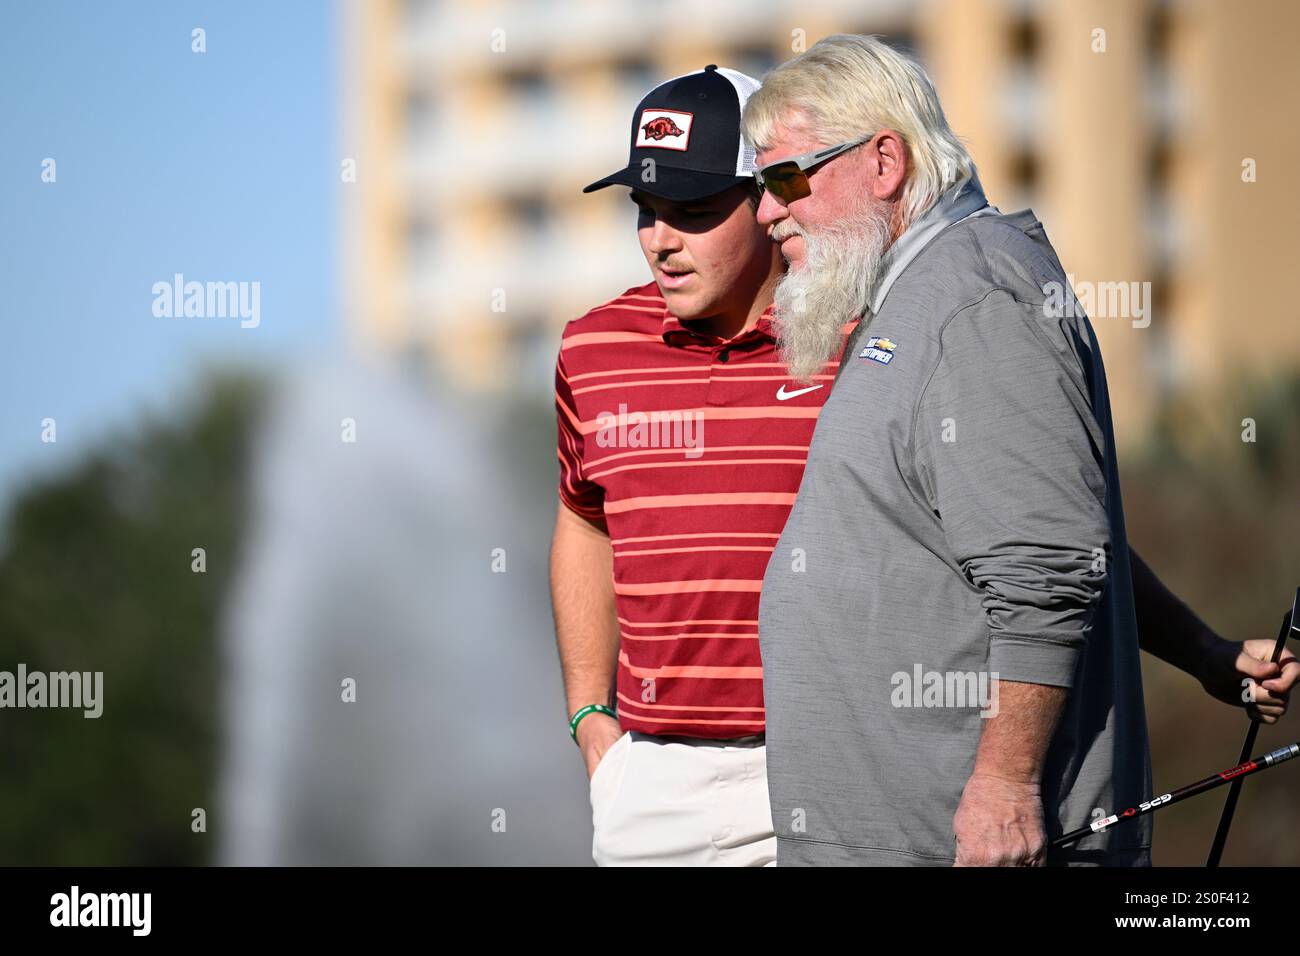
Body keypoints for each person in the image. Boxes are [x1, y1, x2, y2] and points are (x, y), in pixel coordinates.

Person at [743, 34, 1298, 866]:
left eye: (785, 178)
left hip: (963, 844)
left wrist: (1004, 785)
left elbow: (1046, 565)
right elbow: (1052, 533)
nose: (765, 211)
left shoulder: (976, 302)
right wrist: (1205, 653)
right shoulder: (920, 295)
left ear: (884, 162)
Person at [550, 65, 854, 865]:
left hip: (831, 770)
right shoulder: (591, 347)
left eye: (692, 211)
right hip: (649, 782)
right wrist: (590, 719)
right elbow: (584, 522)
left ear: (770, 200)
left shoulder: (863, 337)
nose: (661, 240)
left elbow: (1015, 526)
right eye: (645, 210)